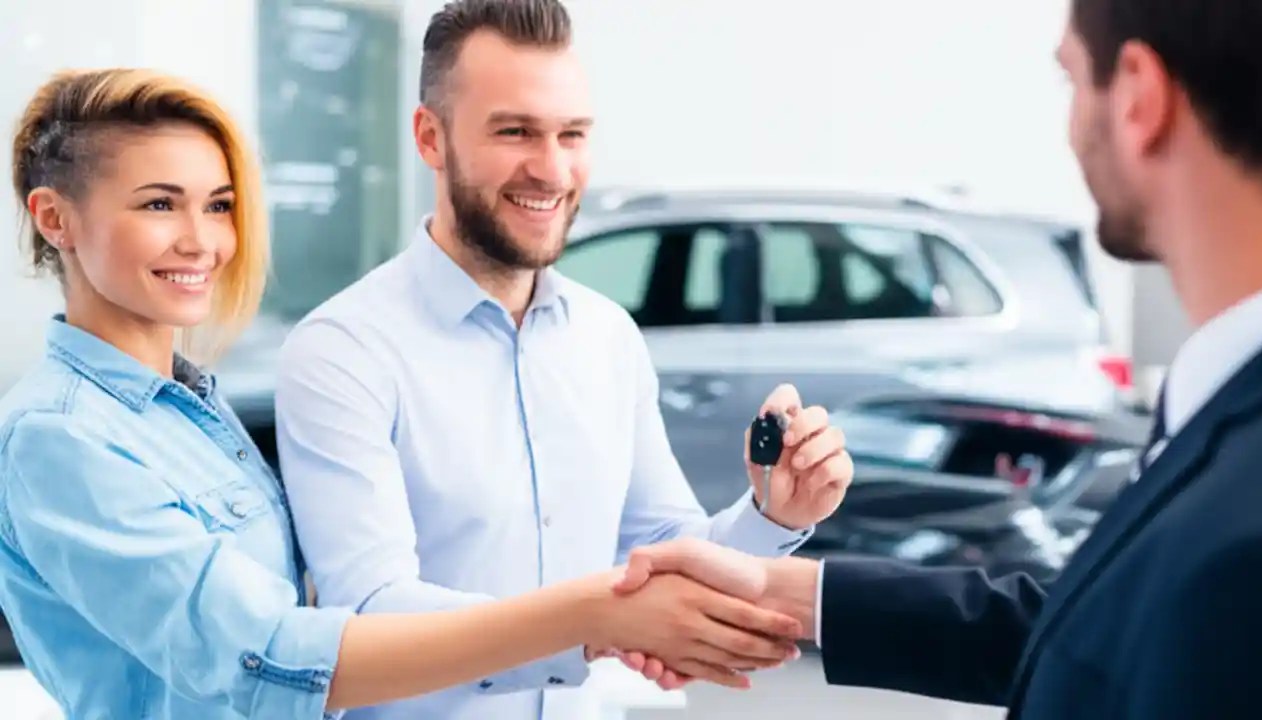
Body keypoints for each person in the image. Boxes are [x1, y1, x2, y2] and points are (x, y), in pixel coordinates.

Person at [0, 67, 808, 720]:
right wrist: (590, 616)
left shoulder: (190, 411)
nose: (202, 241)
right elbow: (271, 657)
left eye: (219, 205)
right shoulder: (60, 439)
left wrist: (773, 521)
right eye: (157, 205)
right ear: (55, 219)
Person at [613, 0, 1262, 717]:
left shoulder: (1255, 506)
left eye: (1073, 81)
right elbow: (1105, 631)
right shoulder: (1233, 406)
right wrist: (788, 593)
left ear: (1139, 99)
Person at [272, 0, 855, 718]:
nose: (550, 169)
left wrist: (773, 513)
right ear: (430, 137)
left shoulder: (608, 336)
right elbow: (372, 614)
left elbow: (669, 544)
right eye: (514, 131)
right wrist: (594, 623)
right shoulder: (342, 353)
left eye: (571, 134)